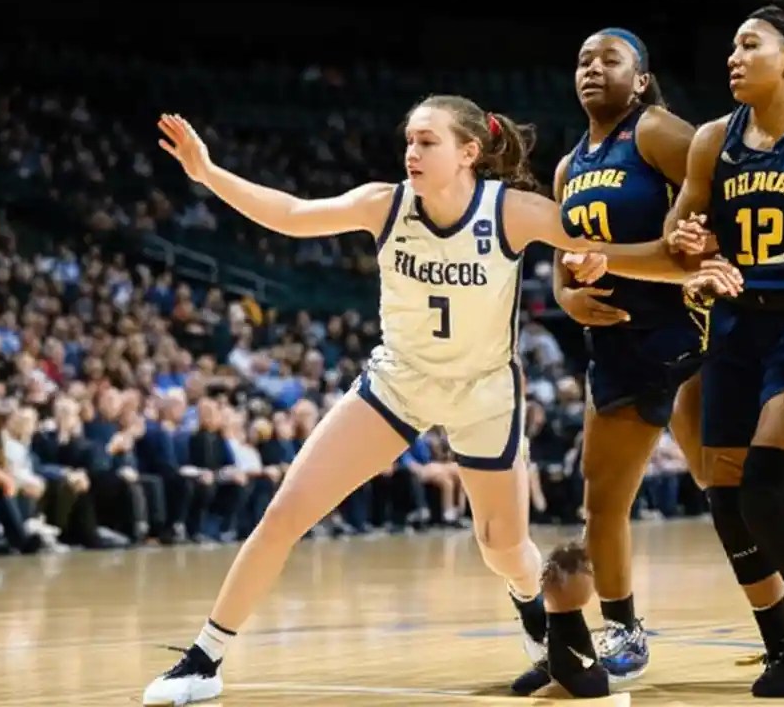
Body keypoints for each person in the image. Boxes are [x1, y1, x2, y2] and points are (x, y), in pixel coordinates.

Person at [140, 98, 678, 705]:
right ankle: (204, 660)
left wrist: (666, 256)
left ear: (468, 153)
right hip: (399, 381)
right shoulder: (385, 203)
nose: (411, 154)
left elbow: (605, 246)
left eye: (427, 142)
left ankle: (539, 618)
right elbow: (292, 214)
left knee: (501, 547)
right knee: (285, 513)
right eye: (409, 142)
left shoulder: (513, 211)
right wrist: (208, 173)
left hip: (483, 390)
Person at [575, 0, 784, 698]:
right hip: (733, 325)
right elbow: (683, 244)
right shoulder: (710, 141)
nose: (733, 57)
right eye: (730, 47)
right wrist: (696, 255)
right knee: (725, 500)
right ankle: (783, 635)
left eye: (749, 45)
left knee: (769, 492)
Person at [532, 27, 704, 687]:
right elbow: (559, 251)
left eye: (610, 60)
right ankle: (624, 629)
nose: (592, 69)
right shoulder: (568, 165)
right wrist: (566, 298)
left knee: (730, 489)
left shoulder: (655, 130)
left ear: (640, 79)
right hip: (618, 348)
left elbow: (723, 179)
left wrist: (699, 239)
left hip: (689, 333)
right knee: (602, 501)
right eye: (582, 60)